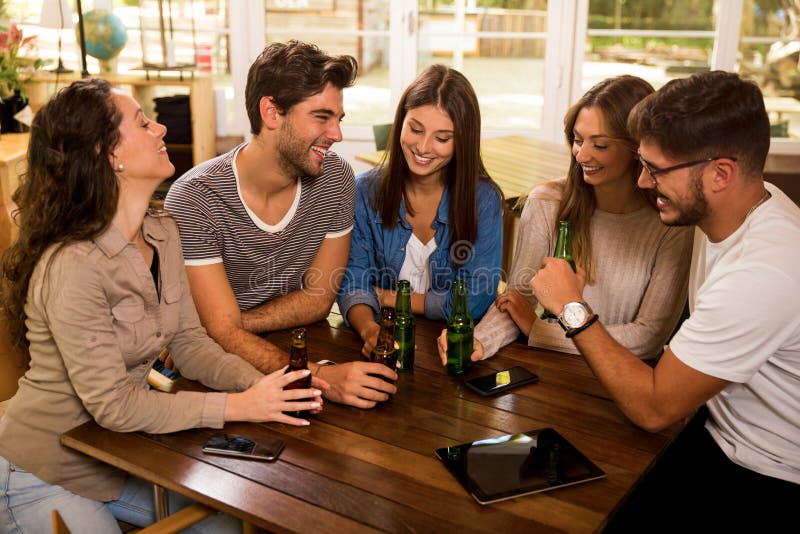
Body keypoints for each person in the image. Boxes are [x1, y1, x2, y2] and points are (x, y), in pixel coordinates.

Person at [0, 79, 326, 533]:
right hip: (43, 470)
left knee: (230, 529)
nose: (159, 129)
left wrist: (268, 390)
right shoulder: (72, 265)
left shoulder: (163, 230)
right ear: (104, 152)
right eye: (142, 122)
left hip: (120, 457)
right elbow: (113, 405)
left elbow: (190, 343)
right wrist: (238, 405)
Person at [531, 71, 800, 530]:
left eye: (655, 170)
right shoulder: (738, 209)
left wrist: (571, 305)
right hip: (709, 426)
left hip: (764, 467)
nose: (641, 181)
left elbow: (653, 408)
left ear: (721, 174)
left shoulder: (764, 271)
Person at [165, 40, 397, 409]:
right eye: (322, 117)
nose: (337, 135)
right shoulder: (196, 199)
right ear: (271, 113)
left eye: (338, 119)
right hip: (203, 371)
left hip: (280, 341)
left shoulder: (336, 179)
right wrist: (320, 378)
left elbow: (319, 299)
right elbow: (217, 336)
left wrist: (231, 325)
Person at [437, 75, 693, 364]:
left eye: (600, 145)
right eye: (578, 139)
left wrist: (539, 330)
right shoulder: (546, 202)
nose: (582, 155)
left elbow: (647, 338)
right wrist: (480, 341)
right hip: (551, 370)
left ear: (638, 150)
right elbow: (517, 301)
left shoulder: (672, 225)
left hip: (624, 383)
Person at [338, 64, 503, 357]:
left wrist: (388, 297)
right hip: (385, 342)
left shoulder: (484, 200)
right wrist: (369, 330)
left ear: (461, 142)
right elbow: (353, 281)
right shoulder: (363, 192)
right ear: (401, 121)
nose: (423, 147)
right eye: (415, 129)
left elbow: (475, 300)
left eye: (442, 138)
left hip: (454, 350)